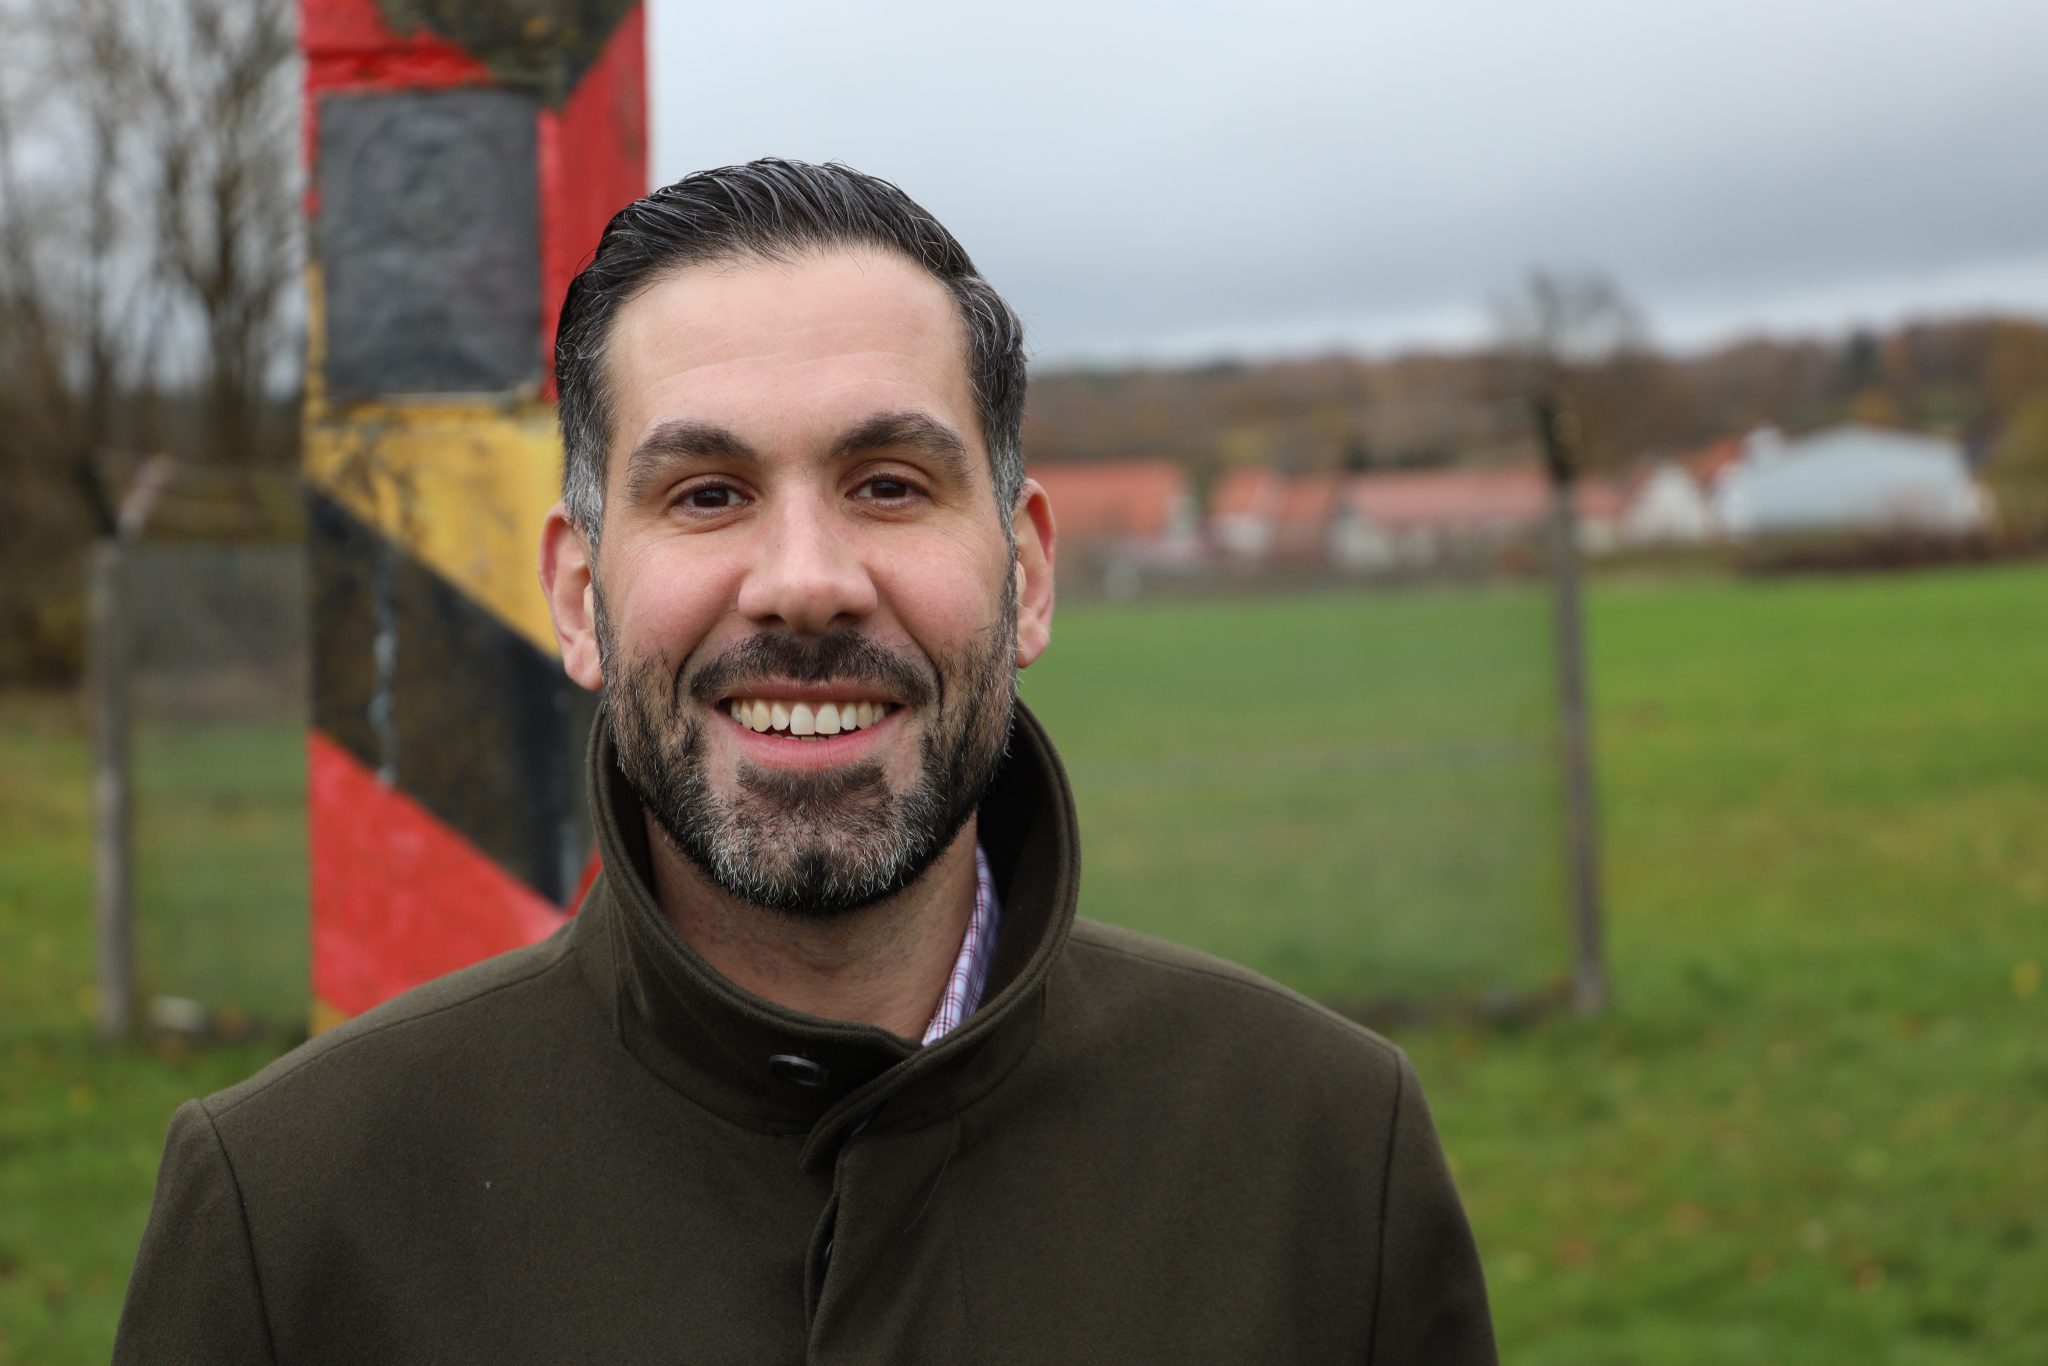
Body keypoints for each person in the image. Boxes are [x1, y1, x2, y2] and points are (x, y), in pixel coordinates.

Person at [115, 159, 1496, 1363]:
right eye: (706, 493)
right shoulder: (288, 1219)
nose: (806, 582)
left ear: (1024, 574)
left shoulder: (1321, 1156)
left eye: (889, 483)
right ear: (575, 591)